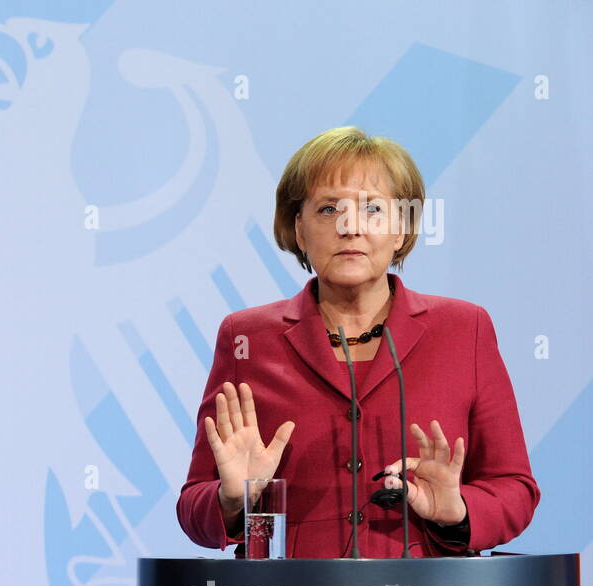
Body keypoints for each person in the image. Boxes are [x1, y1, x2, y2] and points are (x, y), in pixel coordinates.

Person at [177, 126, 538, 558]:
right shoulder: (247, 337)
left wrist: (457, 510)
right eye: (329, 210)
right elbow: (193, 506)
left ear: (401, 231)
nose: (350, 228)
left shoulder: (465, 328)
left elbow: (515, 489)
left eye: (372, 210)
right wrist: (234, 498)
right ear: (299, 229)